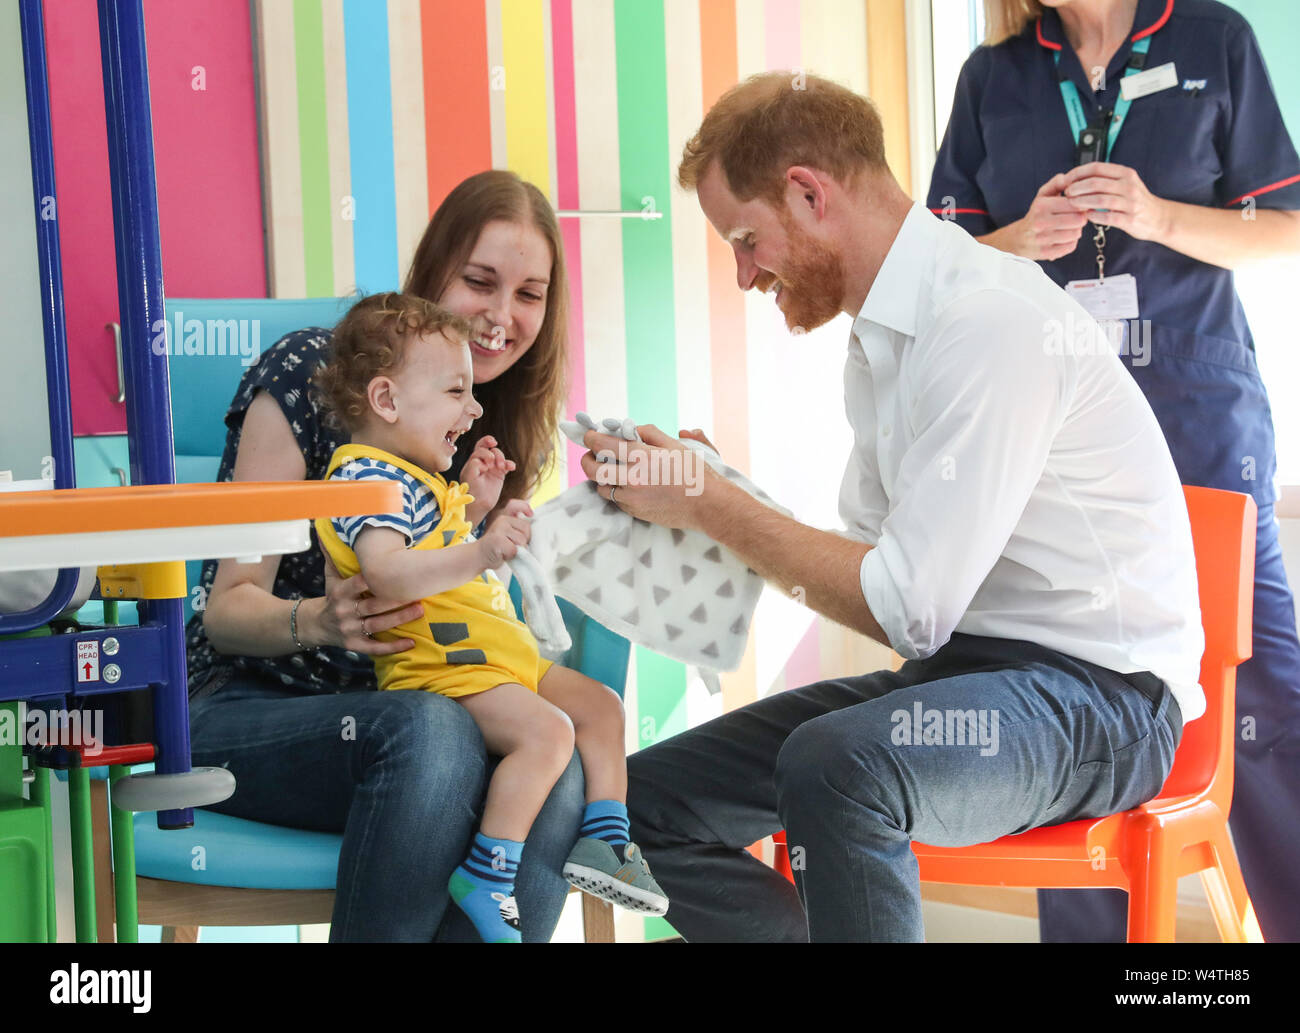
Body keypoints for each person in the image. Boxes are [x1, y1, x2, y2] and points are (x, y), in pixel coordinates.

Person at [596, 70, 1203, 942]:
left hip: (1103, 696)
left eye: (745, 238)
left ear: (808, 193)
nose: (742, 275)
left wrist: (717, 508)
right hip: (967, 676)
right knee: (635, 804)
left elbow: (906, 607)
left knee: (839, 765)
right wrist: (720, 496)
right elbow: (870, 566)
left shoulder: (986, 318)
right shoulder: (882, 338)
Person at [927, 0, 1300, 942]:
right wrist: (1021, 239)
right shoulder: (994, 77)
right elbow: (934, 266)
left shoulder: (1213, 40)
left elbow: (1287, 226)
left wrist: (1159, 214)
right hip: (1054, 427)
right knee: (1069, 680)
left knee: (1255, 684)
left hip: (1198, 413)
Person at [185, 170, 584, 942]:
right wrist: (323, 620)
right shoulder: (309, 373)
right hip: (242, 702)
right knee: (434, 737)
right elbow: (227, 611)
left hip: (417, 710)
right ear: (434, 272)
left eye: (530, 293)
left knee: (553, 761)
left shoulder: (487, 438)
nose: (502, 316)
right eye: (479, 281)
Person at [310, 292, 668, 942]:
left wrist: (472, 508)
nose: (474, 409)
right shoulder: (366, 481)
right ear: (387, 401)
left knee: (603, 706)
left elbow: (433, 550)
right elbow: (387, 570)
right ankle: (488, 872)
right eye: (455, 390)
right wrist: (480, 548)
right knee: (550, 736)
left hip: (495, 656)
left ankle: (608, 840)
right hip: (447, 666)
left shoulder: (411, 481)